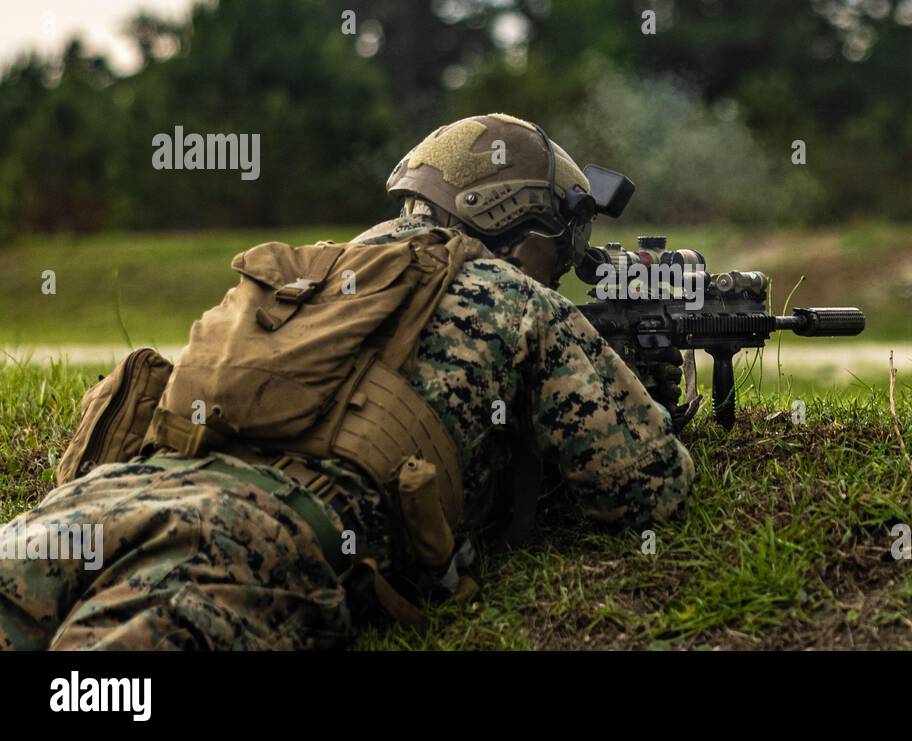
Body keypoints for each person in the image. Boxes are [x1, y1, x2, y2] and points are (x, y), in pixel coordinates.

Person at [0, 112, 694, 650]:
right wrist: (655, 390)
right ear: (526, 225)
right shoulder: (517, 298)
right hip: (247, 537)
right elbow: (645, 491)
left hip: (103, 498)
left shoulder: (313, 271)